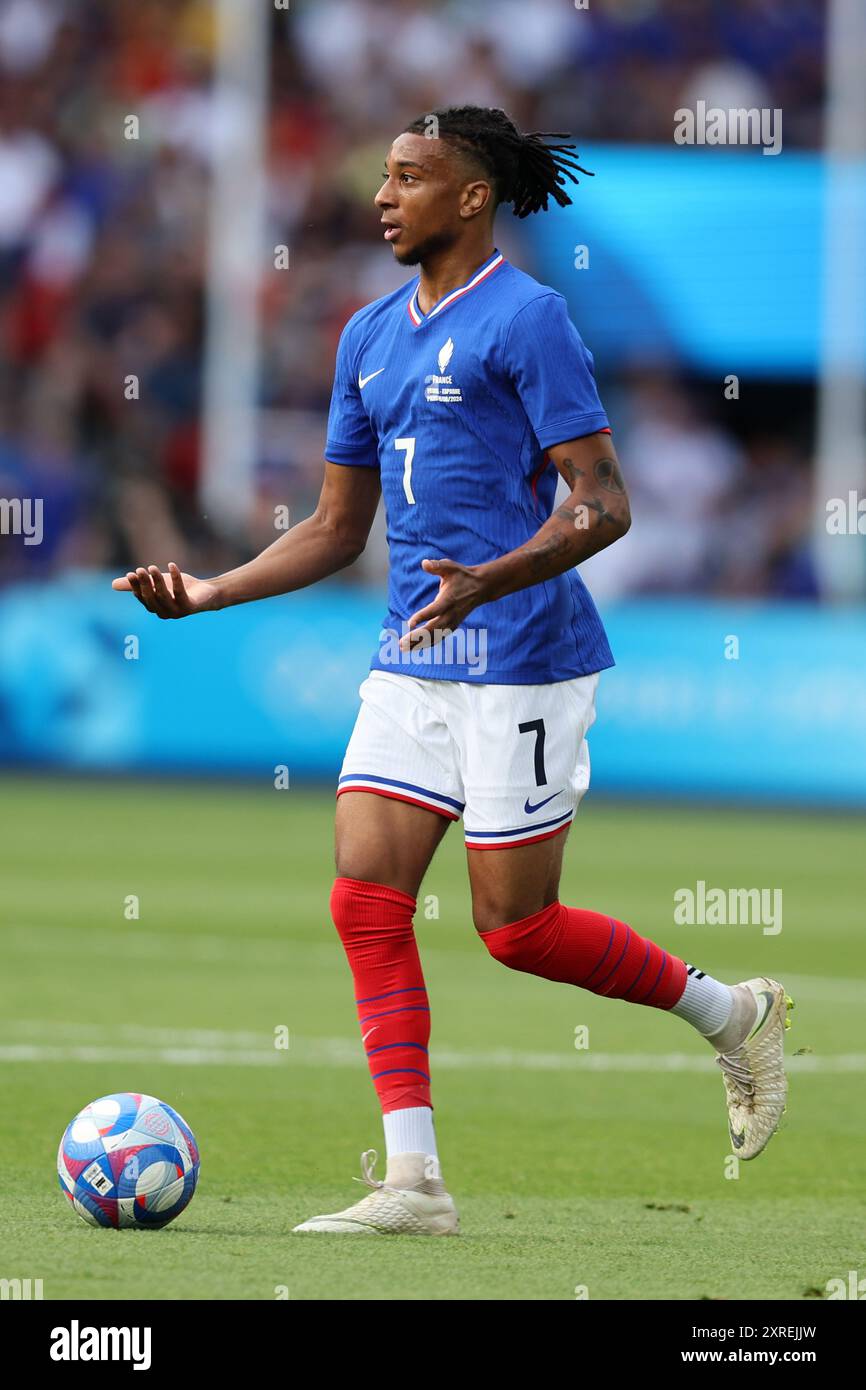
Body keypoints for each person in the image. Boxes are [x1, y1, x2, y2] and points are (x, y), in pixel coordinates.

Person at [113, 106, 792, 1237]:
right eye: (381, 176)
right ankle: (412, 1181)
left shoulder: (528, 320)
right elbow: (336, 528)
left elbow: (603, 504)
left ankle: (733, 1015)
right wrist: (209, 592)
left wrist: (492, 577)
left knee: (514, 929)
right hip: (409, 657)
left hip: (522, 656)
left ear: (470, 198)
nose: (382, 195)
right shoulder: (367, 335)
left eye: (409, 177)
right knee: (363, 901)